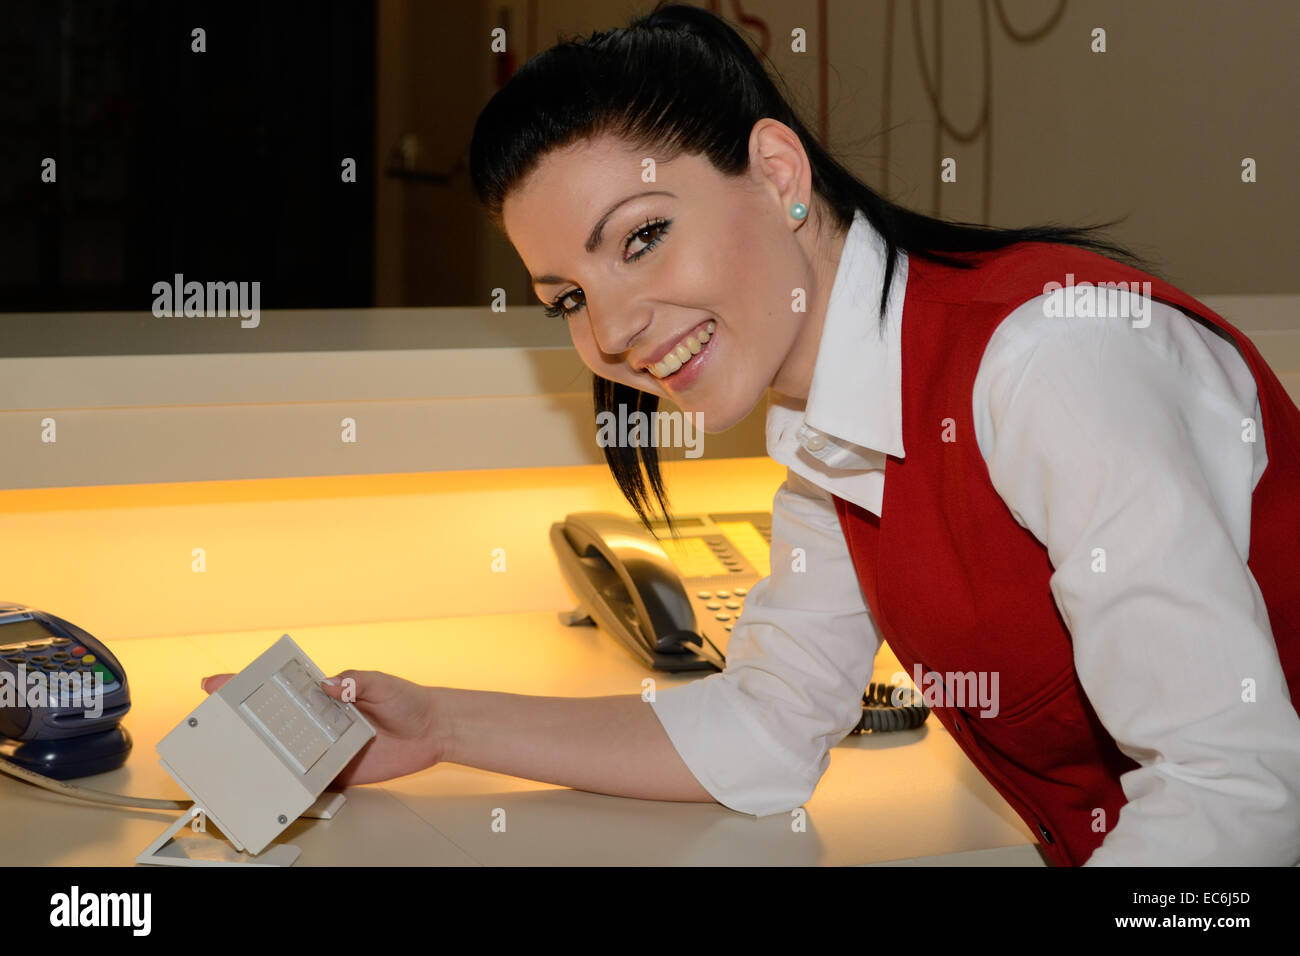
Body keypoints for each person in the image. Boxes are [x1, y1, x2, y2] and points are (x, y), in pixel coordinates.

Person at [204, 3, 1300, 865]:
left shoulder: (1051, 359)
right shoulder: (835, 429)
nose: (614, 330)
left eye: (641, 238)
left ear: (776, 173)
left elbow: (1234, 792)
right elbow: (770, 731)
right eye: (565, 297)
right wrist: (439, 721)